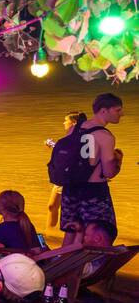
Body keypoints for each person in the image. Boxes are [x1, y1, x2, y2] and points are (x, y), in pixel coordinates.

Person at [61, 93, 124, 247]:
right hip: (93, 192)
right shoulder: (105, 136)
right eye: (118, 110)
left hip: (70, 189)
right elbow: (109, 172)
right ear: (104, 111)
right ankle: (94, 269)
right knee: (100, 235)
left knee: (72, 232)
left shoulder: (74, 129)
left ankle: (60, 265)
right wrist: (119, 161)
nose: (121, 114)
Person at [46, 110, 83, 232]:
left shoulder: (82, 137)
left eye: (66, 120)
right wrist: (53, 145)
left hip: (70, 178)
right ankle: (50, 232)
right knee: (52, 206)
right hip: (62, 176)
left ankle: (66, 236)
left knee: (71, 212)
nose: (63, 123)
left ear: (73, 123)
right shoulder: (69, 138)